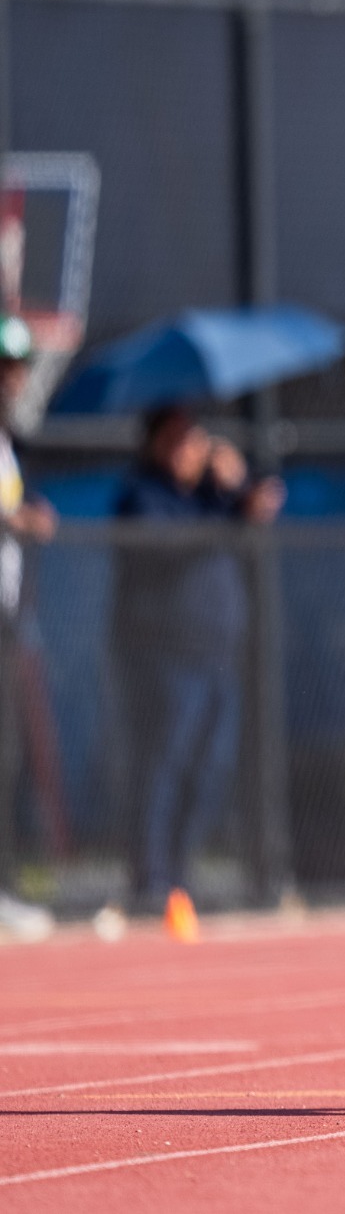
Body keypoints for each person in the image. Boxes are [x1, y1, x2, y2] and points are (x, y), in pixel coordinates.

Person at [112, 405, 284, 912]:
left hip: (217, 652)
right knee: (165, 764)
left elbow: (244, 517)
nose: (190, 450)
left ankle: (180, 877)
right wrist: (221, 504)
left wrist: (239, 488)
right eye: (177, 439)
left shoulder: (213, 499)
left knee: (210, 768)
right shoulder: (142, 494)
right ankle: (151, 880)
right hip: (165, 655)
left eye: (194, 439)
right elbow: (166, 547)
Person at [0, 316, 56, 941]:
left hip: (7, 612)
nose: (13, 379)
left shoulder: (7, 439)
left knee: (7, 752)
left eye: (16, 367)